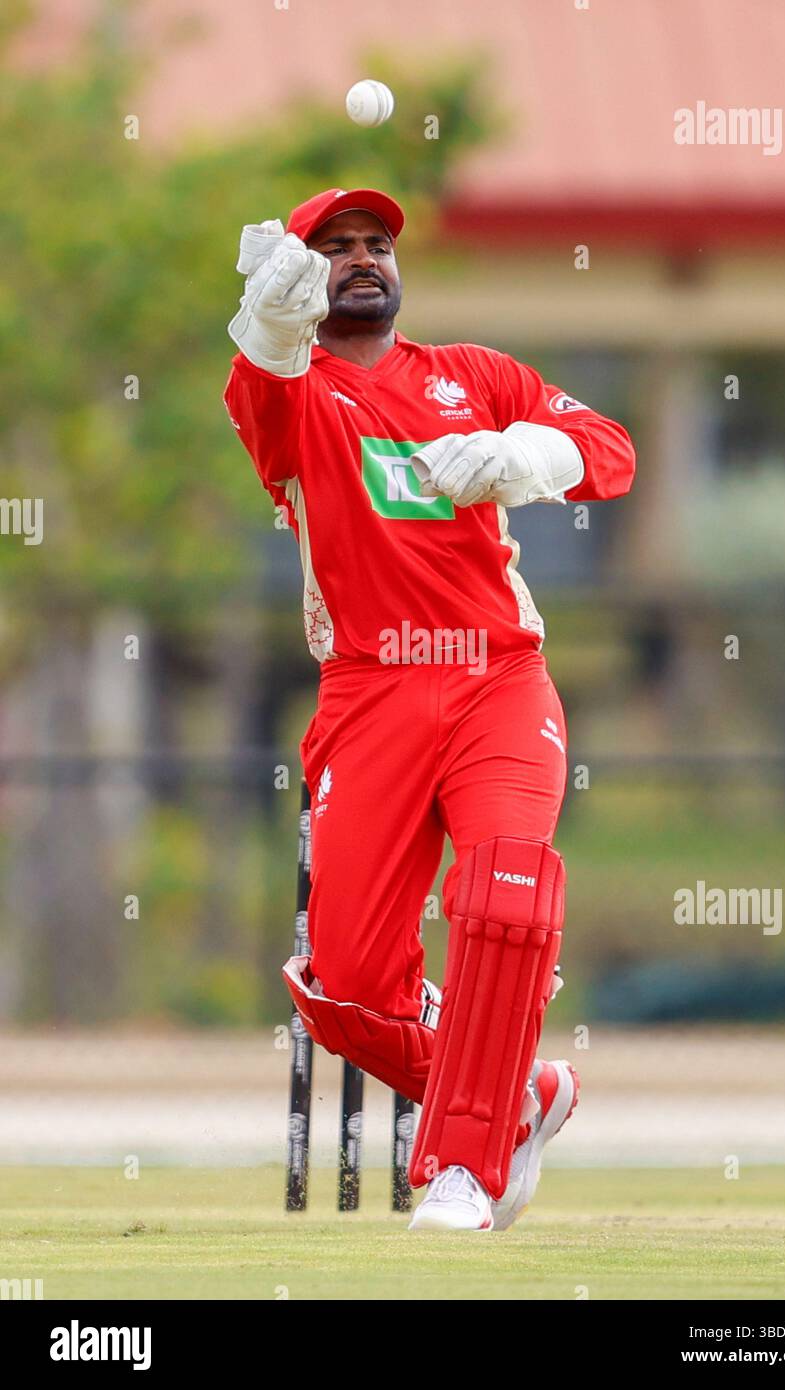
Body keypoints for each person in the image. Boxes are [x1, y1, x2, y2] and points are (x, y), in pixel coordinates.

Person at [223, 187, 636, 1231]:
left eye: (377, 245)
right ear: (303, 274)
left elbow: (612, 452)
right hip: (369, 690)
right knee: (344, 988)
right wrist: (272, 318)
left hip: (497, 674)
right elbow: (263, 374)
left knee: (503, 897)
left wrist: (523, 458)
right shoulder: (292, 395)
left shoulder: (474, 376)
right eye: (335, 248)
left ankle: (462, 1167)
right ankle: (517, 1092)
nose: (362, 259)